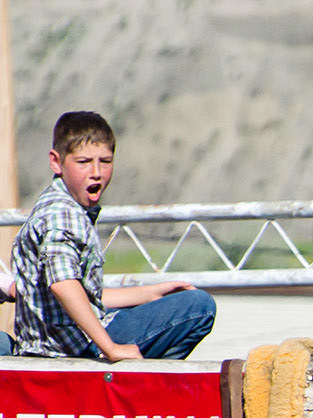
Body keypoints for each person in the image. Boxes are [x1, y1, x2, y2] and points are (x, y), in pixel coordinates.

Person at [10, 112, 214, 362]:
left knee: (175, 302)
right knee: (198, 307)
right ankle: (142, 383)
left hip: (59, 342)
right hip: (71, 350)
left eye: (105, 161)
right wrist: (111, 348)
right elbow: (64, 285)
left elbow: (85, 296)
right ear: (56, 162)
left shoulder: (66, 206)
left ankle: (142, 377)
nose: (96, 172)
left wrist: (150, 294)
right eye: (84, 162)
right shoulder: (62, 214)